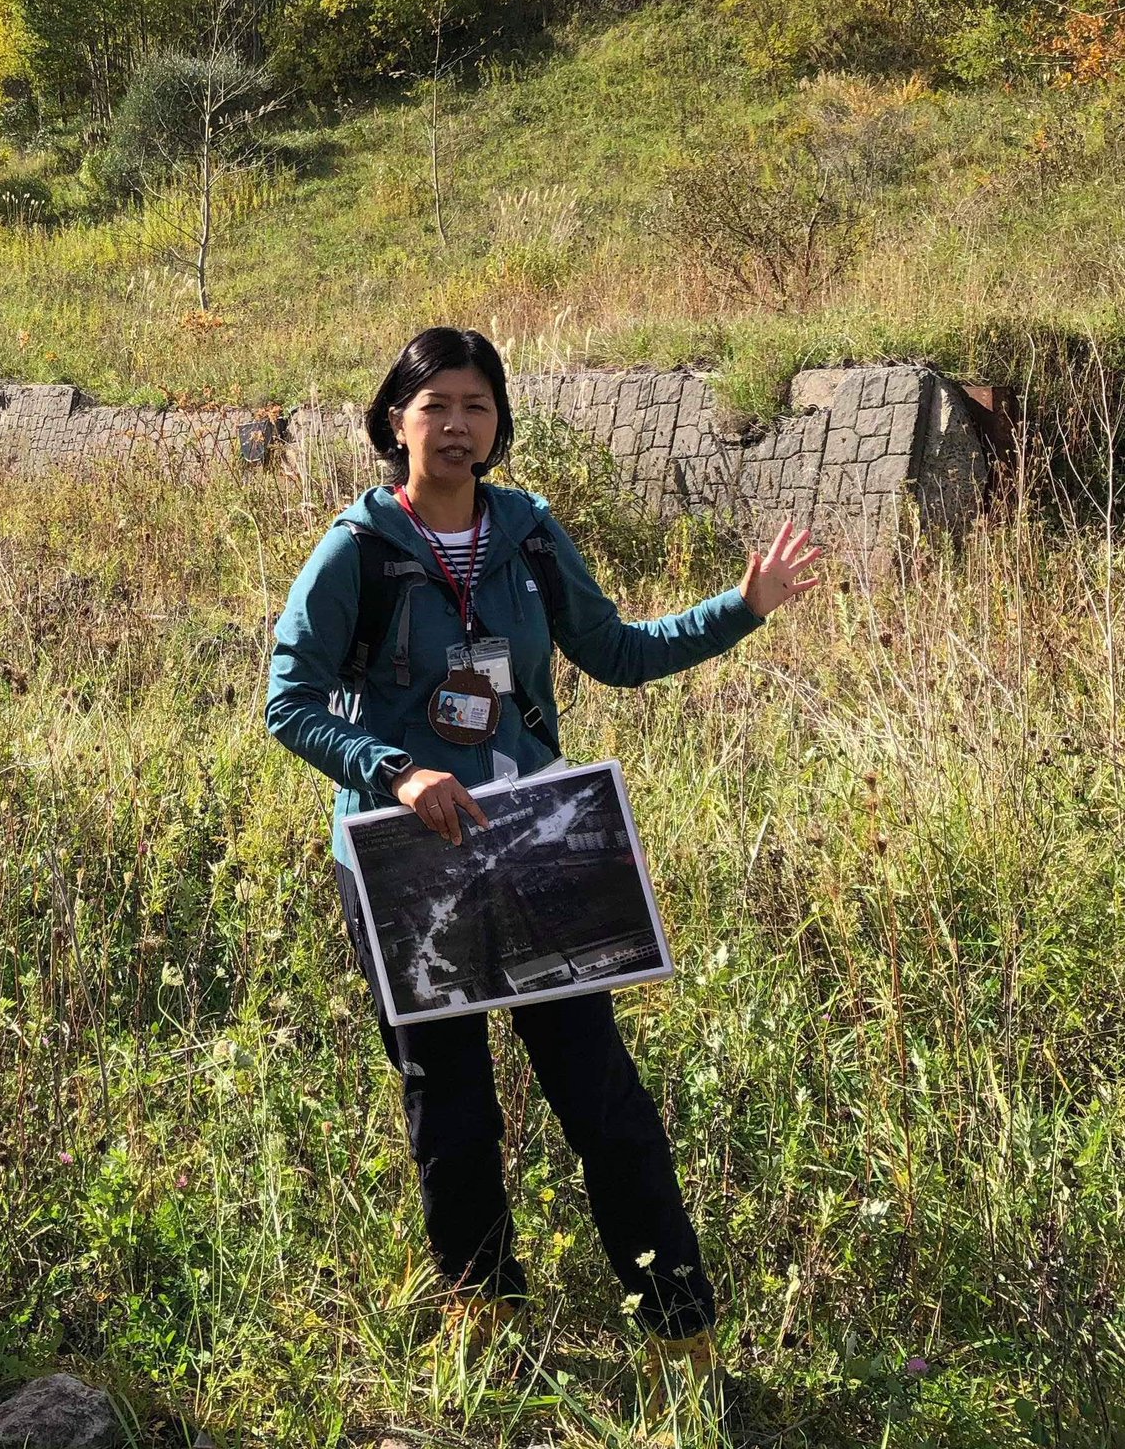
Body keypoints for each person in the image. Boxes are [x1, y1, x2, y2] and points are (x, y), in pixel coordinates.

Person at [265, 326, 820, 1413]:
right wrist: (393, 769)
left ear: (497, 422)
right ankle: (488, 1321)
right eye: (437, 407)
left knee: (601, 1092)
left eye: (477, 404)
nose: (459, 425)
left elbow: (612, 649)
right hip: (402, 861)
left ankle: (680, 1331)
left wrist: (739, 610)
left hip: (534, 841)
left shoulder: (525, 534)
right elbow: (290, 698)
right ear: (395, 422)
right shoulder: (357, 549)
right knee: (451, 1103)